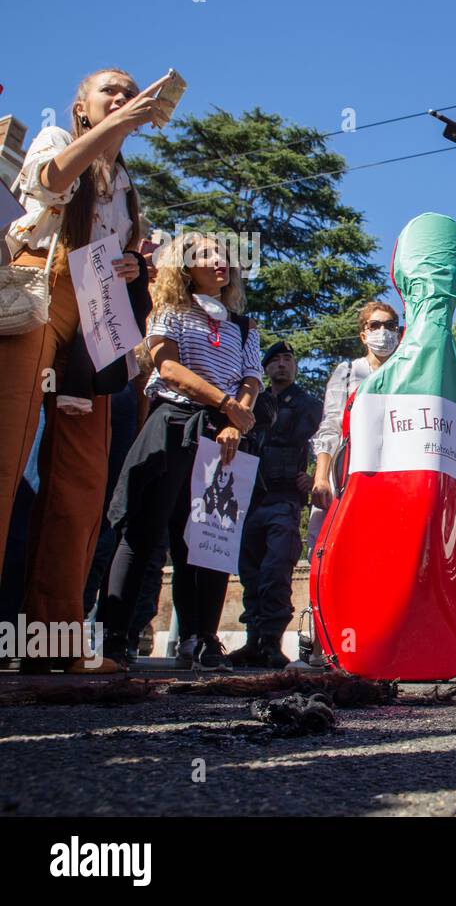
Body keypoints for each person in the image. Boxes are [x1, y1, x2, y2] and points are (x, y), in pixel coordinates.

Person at [0, 67, 169, 673]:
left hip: (97, 314)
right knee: (7, 457)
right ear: (81, 106)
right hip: (39, 293)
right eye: (111, 92)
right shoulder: (53, 138)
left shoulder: (125, 182)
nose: (123, 99)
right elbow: (45, 185)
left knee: (81, 479)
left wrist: (128, 265)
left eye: (130, 93)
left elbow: (115, 250)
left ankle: (57, 640)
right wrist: (117, 127)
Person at [99, 231, 263, 671]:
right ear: (184, 267)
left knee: (210, 539)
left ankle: (201, 637)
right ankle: (115, 634)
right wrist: (225, 404)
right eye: (206, 255)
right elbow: (168, 367)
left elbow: (252, 379)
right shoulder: (169, 311)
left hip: (221, 437)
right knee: (144, 530)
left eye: (224, 255)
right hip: (173, 424)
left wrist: (236, 420)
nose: (219, 262)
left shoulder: (244, 326)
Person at [232, 340, 322, 668]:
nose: (282, 364)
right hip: (251, 496)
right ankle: (253, 641)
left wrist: (314, 477)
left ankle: (271, 640)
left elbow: (324, 442)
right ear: (266, 367)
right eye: (276, 360)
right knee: (251, 571)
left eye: (288, 359)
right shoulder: (254, 402)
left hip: (284, 498)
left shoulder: (308, 404)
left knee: (276, 570)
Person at [307, 301, 402, 548]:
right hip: (348, 472)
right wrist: (321, 478)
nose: (383, 331)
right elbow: (331, 426)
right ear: (364, 334)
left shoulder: (407, 378)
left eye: (390, 325)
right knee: (338, 543)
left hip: (393, 477)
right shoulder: (348, 372)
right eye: (376, 325)